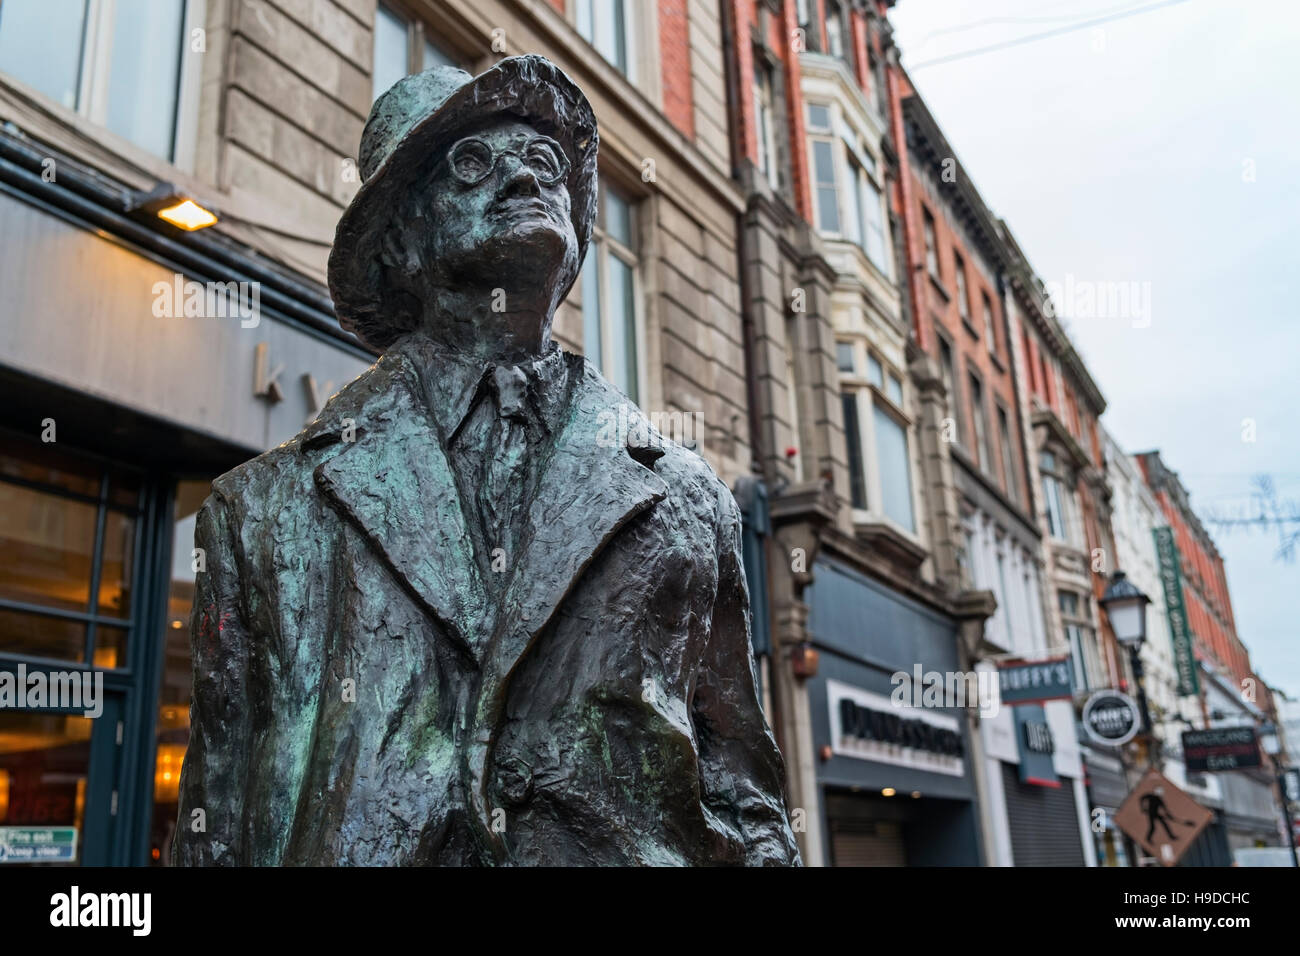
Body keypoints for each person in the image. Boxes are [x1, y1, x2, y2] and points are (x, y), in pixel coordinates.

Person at [173, 55, 800, 867]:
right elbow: (217, 821)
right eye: (472, 162)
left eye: (544, 162)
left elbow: (747, 793)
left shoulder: (691, 499)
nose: (521, 174)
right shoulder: (260, 512)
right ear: (397, 237)